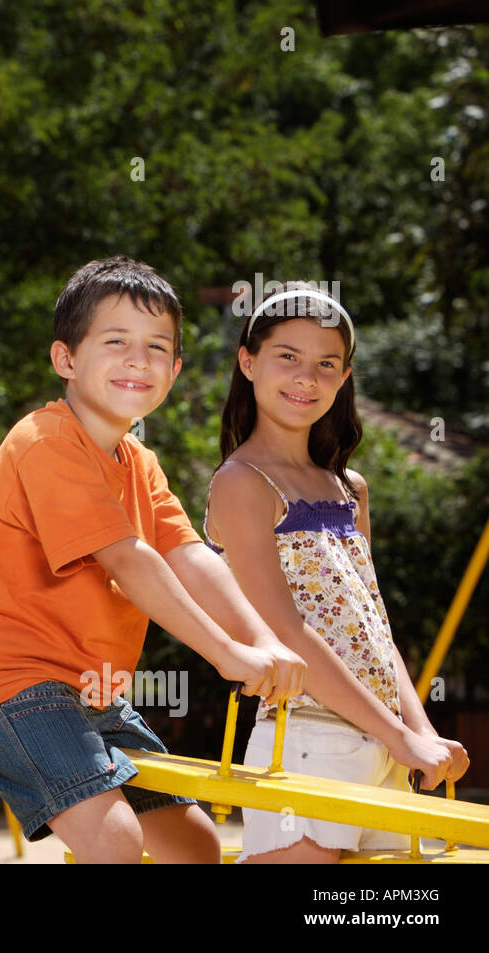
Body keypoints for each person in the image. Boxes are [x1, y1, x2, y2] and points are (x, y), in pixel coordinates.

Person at [0, 256, 306, 864]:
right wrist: (226, 654)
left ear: (176, 370)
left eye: (158, 347)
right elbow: (130, 561)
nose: (139, 359)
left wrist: (262, 637)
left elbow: (187, 555)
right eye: (116, 342)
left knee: (195, 845)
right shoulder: (47, 442)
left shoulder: (139, 462)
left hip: (94, 691)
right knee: (115, 843)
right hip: (7, 682)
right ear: (66, 360)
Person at [203, 282, 469, 863]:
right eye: (288, 358)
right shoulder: (242, 482)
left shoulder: (350, 489)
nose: (307, 378)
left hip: (382, 743)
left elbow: (377, 632)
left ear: (345, 376)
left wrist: (416, 731)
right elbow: (285, 632)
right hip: (304, 736)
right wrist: (402, 736)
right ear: (248, 362)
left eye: (326, 364)